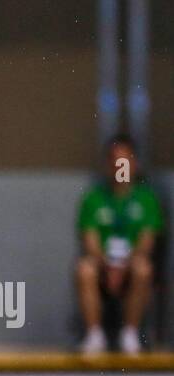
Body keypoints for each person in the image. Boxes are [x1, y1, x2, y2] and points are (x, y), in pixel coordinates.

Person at [76, 133, 164, 355]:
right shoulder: (94, 198)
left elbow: (146, 243)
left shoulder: (147, 199)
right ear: (108, 164)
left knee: (143, 269)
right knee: (85, 269)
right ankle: (94, 336)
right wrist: (108, 265)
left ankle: (130, 334)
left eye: (124, 161)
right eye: (115, 162)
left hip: (131, 269)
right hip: (103, 270)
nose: (120, 167)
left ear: (135, 164)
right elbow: (90, 241)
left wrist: (123, 266)